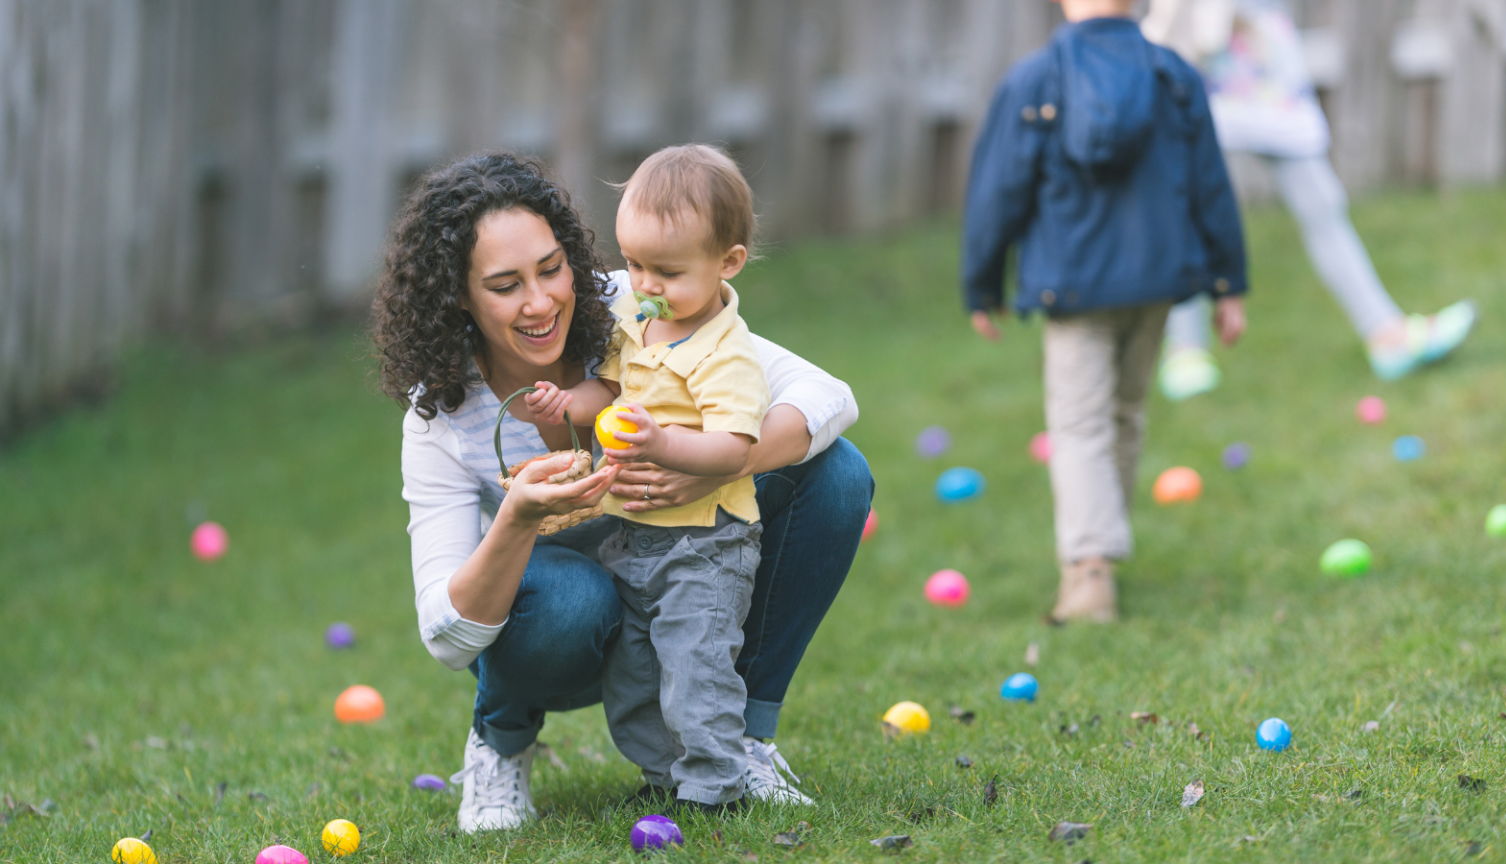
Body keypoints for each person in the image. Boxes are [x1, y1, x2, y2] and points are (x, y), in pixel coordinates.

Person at [372, 152, 870, 832]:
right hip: (562, 628)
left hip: (682, 572)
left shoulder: (639, 303)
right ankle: (501, 741)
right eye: (505, 285)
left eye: (552, 268)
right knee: (576, 594)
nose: (542, 301)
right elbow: (446, 637)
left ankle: (742, 739)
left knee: (837, 474)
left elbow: (827, 398)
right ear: (458, 294)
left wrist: (711, 466)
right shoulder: (443, 418)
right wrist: (516, 519)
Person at [962, 0, 1247, 623]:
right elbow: (1212, 185)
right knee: (1124, 413)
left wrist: (982, 285)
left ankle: (1089, 571)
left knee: (1081, 424)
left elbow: (997, 192)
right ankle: (1102, 550)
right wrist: (1228, 282)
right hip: (1156, 285)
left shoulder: (1034, 79)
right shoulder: (1174, 76)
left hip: (1074, 289)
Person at [528, 145, 770, 812]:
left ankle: (715, 788)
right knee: (633, 673)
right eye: (634, 264)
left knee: (696, 671)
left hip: (708, 545)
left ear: (728, 264)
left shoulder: (725, 352)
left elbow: (733, 447)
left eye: (667, 270)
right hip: (634, 537)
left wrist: (664, 442)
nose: (644, 283)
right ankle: (663, 776)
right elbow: (604, 392)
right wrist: (564, 404)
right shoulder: (638, 316)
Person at [1142, 0, 1477, 398]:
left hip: (1262, 57)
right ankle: (1185, 349)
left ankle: (1386, 332)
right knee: (1188, 204)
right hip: (1198, 57)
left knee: (1321, 201)